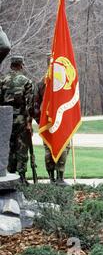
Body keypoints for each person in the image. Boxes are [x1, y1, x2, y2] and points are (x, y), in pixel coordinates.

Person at [33, 53, 70, 186]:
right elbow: (35, 105)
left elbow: (35, 105)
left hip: (48, 123)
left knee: (50, 149)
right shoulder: (63, 81)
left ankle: (52, 178)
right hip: (59, 122)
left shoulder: (41, 82)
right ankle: (59, 178)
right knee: (62, 147)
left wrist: (40, 120)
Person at [0, 56, 34, 185]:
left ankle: (9, 173)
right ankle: (21, 177)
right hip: (21, 119)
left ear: (11, 65)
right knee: (22, 147)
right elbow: (29, 105)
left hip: (5, 119)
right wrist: (29, 123)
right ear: (21, 65)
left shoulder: (2, 80)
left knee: (8, 147)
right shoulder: (26, 81)